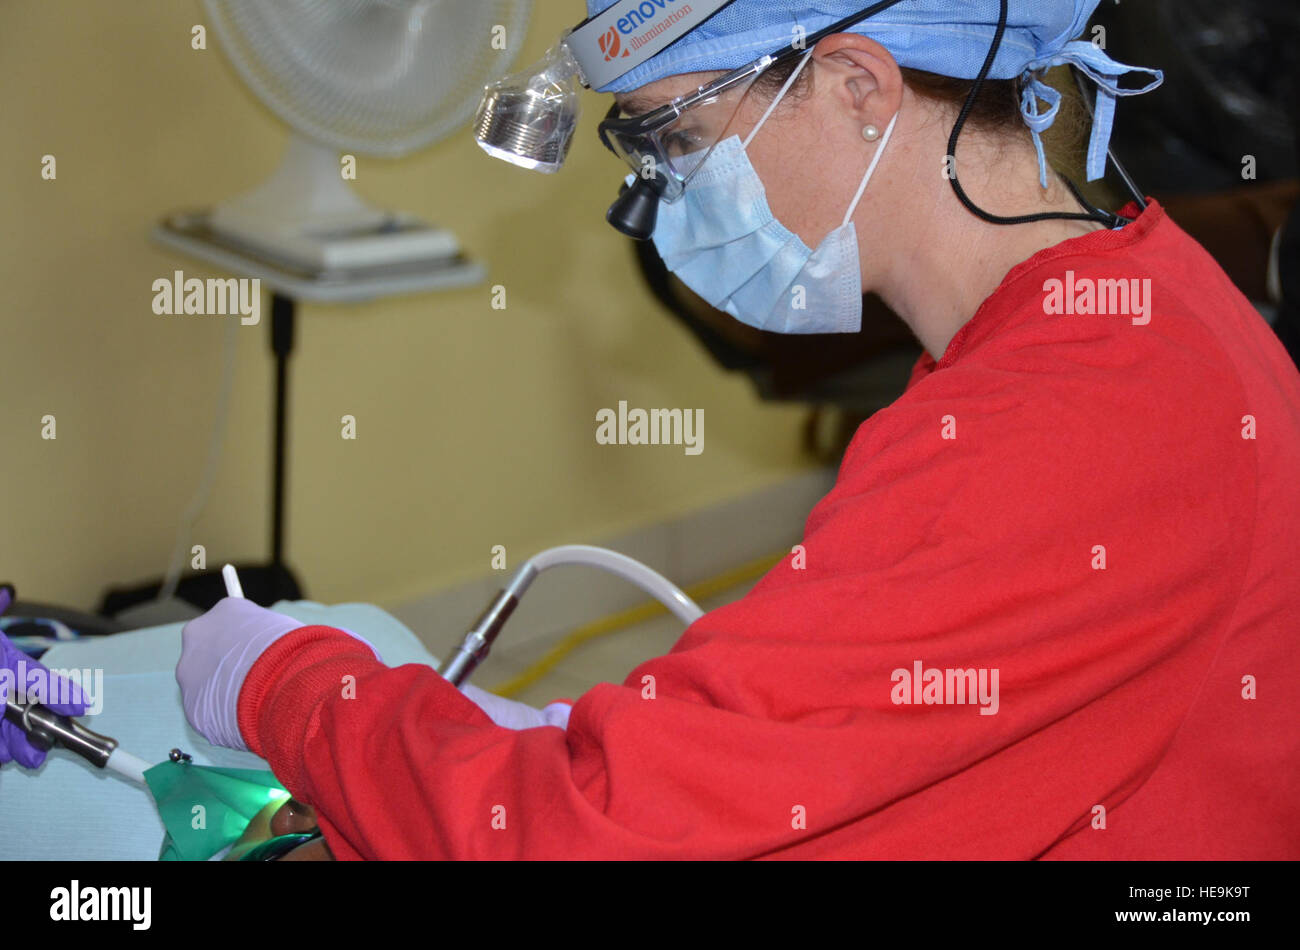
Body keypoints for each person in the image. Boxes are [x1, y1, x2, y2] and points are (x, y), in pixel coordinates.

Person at [175, 0, 1300, 859]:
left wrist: (290, 684)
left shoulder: (1058, 422)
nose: (663, 197)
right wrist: (677, 738)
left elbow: (583, 835)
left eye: (677, 135)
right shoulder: (1137, 299)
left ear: (858, 82)